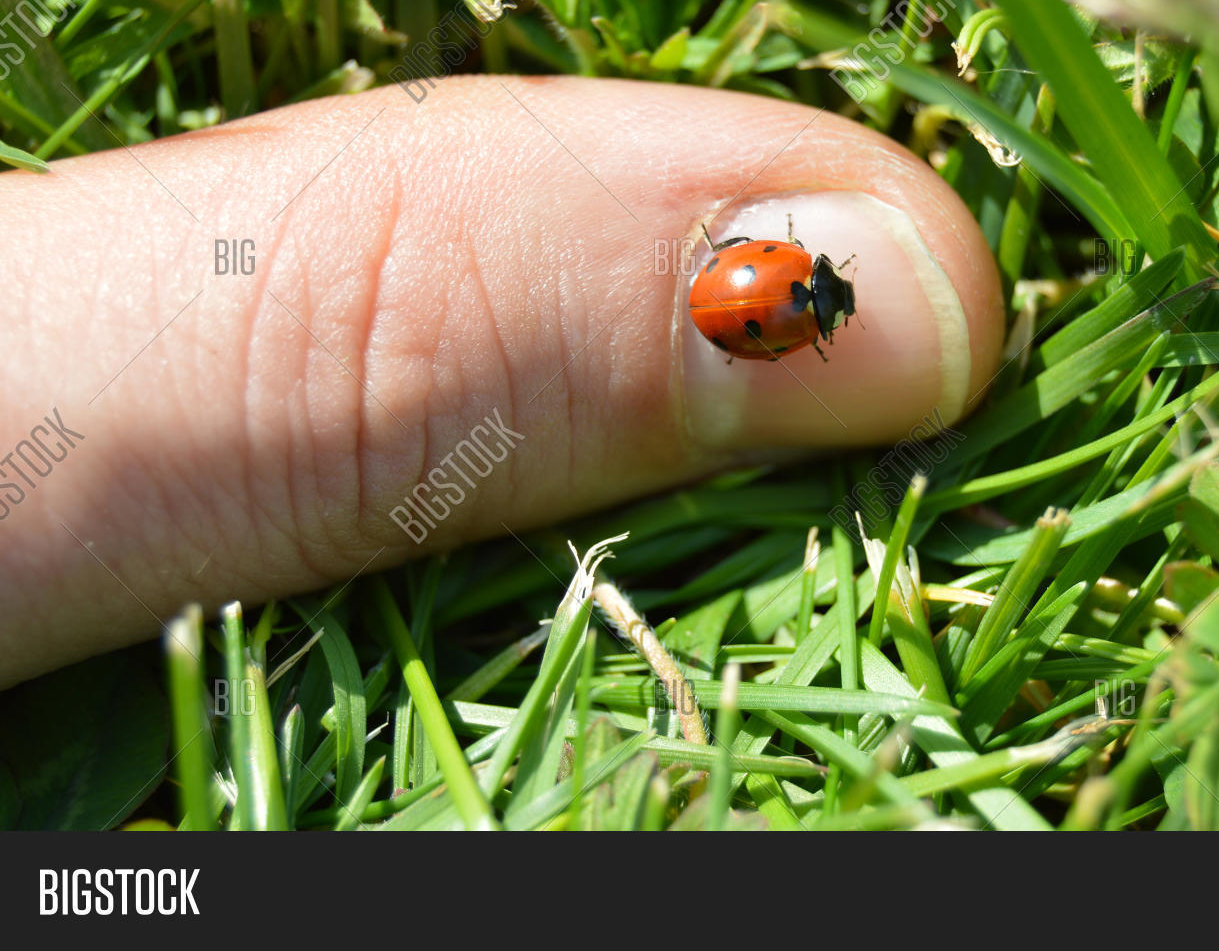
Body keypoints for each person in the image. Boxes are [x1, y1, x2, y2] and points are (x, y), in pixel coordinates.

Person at [0, 76, 1003, 686]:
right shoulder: (797, 304)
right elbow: (753, 301)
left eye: (823, 287)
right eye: (829, 281)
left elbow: (751, 285)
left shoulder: (786, 286)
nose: (829, 287)